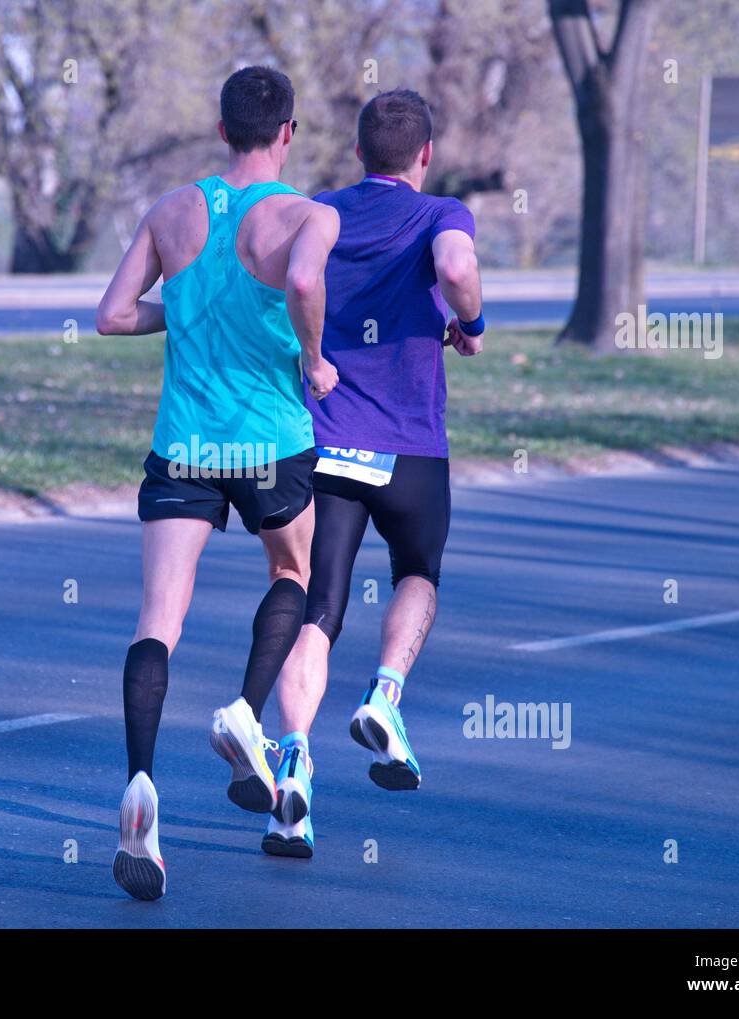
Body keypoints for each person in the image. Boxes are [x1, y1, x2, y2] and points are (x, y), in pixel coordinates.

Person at [95, 65, 341, 899]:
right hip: (269, 441)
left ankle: (139, 785)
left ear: (224, 127)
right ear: (288, 132)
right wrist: (312, 359)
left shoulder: (171, 208)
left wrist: (184, 309)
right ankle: (243, 709)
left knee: (157, 617)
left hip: (184, 445)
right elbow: (304, 282)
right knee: (292, 574)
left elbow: (113, 313)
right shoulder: (308, 214)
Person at [261, 88, 484, 859]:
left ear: (359, 152)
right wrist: (472, 322)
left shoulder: (322, 210)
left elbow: (291, 282)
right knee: (418, 569)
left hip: (326, 441)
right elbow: (456, 268)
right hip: (411, 445)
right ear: (425, 153)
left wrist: (314, 357)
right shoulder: (441, 214)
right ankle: (386, 694)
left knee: (318, 605)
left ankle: (292, 763)